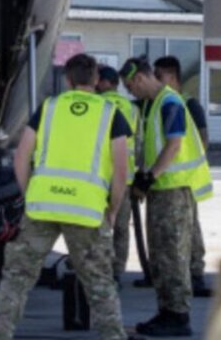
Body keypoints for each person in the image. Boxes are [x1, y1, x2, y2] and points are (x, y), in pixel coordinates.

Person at [0, 54, 131, 340]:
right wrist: (112, 209)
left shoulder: (48, 109)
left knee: (17, 280)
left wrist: (32, 195)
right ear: (96, 81)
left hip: (42, 207)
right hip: (87, 211)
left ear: (67, 80)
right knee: (100, 284)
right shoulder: (110, 114)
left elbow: (21, 157)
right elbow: (120, 169)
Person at [121, 56, 213, 337]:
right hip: (163, 191)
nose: (130, 92)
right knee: (160, 255)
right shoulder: (151, 105)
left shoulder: (169, 102)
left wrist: (149, 177)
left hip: (173, 191)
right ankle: (167, 311)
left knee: (172, 255)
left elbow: (174, 145)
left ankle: (177, 317)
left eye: (129, 87)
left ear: (139, 79)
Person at [153, 56, 213, 298]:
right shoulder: (162, 102)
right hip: (173, 179)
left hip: (185, 179)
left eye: (159, 76)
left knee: (190, 231)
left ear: (171, 76)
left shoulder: (186, 104)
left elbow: (203, 140)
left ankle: (195, 274)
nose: (156, 81)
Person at [96, 65, 140, 280]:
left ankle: (99, 270)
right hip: (126, 178)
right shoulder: (132, 108)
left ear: (105, 83)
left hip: (99, 177)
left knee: (97, 226)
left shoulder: (98, 105)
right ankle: (117, 272)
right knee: (122, 229)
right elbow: (138, 144)